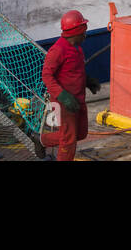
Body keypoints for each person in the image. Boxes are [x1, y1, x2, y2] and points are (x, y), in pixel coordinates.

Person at [38, 10, 100, 160]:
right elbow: (46, 75)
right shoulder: (58, 50)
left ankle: (41, 140)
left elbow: (73, 71)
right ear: (76, 31)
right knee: (69, 141)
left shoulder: (77, 48)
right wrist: (62, 95)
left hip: (78, 98)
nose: (86, 34)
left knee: (80, 133)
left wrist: (87, 80)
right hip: (64, 101)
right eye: (84, 30)